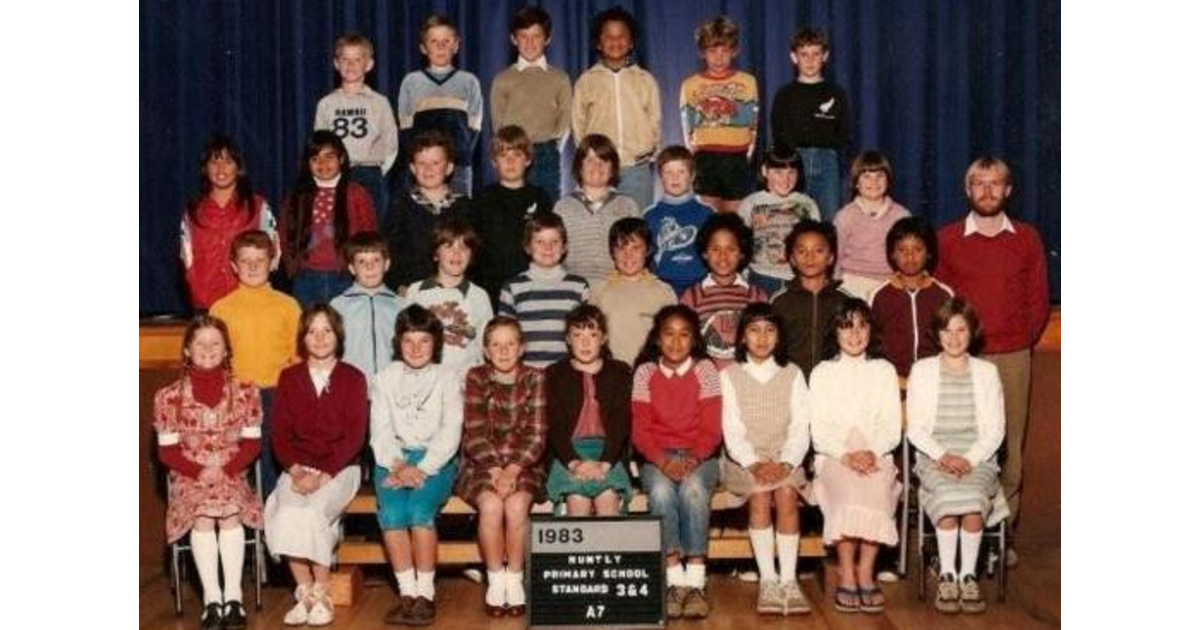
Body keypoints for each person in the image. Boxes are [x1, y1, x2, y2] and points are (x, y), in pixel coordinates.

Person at [936, 157, 1049, 565]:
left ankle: (1000, 538)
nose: (987, 191)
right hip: (963, 359)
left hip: (1012, 357)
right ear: (967, 191)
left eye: (995, 183)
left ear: (1008, 190)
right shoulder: (947, 239)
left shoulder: (1027, 238)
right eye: (978, 184)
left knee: (1009, 450)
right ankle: (959, 535)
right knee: (963, 443)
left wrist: (1018, 341)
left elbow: (1037, 302)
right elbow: (943, 302)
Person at [154, 314, 264, 629]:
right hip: (190, 475)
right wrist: (201, 471)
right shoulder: (168, 397)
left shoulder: (246, 392)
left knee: (229, 511)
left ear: (227, 350)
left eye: (215, 343)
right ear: (187, 350)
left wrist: (226, 469)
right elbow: (168, 452)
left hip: (232, 472)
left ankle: (234, 599)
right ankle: (211, 600)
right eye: (200, 343)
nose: (208, 348)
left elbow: (252, 445)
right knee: (202, 514)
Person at [264, 305, 368, 627]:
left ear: (338, 335)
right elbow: (279, 433)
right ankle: (305, 591)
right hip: (297, 468)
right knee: (285, 511)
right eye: (312, 331)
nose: (320, 338)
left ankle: (322, 592)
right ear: (302, 338)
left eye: (327, 330)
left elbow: (355, 435)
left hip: (341, 468)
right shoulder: (290, 377)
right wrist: (295, 471)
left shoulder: (353, 377)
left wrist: (324, 476)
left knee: (312, 512)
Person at [906, 297, 1008, 614]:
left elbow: (996, 429)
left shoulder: (987, 372)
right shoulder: (922, 370)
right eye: (946, 331)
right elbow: (916, 429)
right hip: (935, 456)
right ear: (937, 335)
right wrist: (944, 456)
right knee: (949, 498)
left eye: (961, 330)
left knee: (974, 498)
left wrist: (971, 458)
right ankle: (948, 573)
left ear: (972, 332)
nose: (954, 337)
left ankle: (967, 577)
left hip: (977, 457)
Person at [370, 305, 464, 626]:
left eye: (424, 341)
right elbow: (380, 431)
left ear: (436, 343)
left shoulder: (448, 377)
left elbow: (451, 431)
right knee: (392, 514)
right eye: (408, 341)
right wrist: (398, 465)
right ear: (398, 342)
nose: (416, 349)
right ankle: (407, 593)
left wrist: (422, 467)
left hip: (435, 461)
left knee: (420, 512)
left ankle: (426, 594)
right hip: (394, 459)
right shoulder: (385, 378)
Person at [808, 299, 901, 615]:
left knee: (875, 488)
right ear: (835, 331)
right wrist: (847, 456)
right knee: (847, 490)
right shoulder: (823, 372)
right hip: (834, 454)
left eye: (862, 325)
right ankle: (847, 571)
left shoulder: (883, 370)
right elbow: (818, 429)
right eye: (847, 325)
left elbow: (892, 425)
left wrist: (871, 453)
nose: (855, 333)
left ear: (871, 330)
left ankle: (866, 571)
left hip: (877, 452)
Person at [718, 304, 811, 616]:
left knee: (786, 493)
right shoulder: (730, 376)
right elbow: (732, 430)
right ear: (743, 337)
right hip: (744, 461)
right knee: (759, 495)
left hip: (785, 458)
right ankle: (767, 579)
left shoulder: (793, 374)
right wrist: (754, 464)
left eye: (769, 331)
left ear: (779, 337)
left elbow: (801, 427)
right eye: (754, 330)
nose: (762, 338)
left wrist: (786, 463)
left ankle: (788, 580)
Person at [631, 305, 723, 620]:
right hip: (657, 455)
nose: (675, 342)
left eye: (684, 335)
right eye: (668, 334)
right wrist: (661, 460)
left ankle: (695, 582)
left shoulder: (706, 370)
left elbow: (711, 429)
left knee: (694, 490)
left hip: (701, 454)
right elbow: (640, 431)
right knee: (660, 492)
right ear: (656, 339)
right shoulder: (644, 372)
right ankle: (673, 580)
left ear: (695, 339)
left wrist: (694, 458)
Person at [454, 316, 547, 617]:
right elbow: (475, 432)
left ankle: (514, 579)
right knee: (492, 506)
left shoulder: (535, 377)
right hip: (482, 463)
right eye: (496, 344)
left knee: (518, 505)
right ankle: (495, 580)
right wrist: (496, 469)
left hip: (525, 464)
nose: (503, 351)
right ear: (485, 350)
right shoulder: (477, 377)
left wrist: (513, 470)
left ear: (522, 348)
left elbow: (536, 434)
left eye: (510, 344)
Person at [210, 230, 302, 497]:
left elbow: (299, 355)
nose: (252, 267)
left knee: (274, 459)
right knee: (236, 464)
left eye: (259, 260)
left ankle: (274, 518)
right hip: (237, 395)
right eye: (245, 261)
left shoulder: (288, 306)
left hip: (276, 393)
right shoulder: (221, 309)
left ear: (272, 263)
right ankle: (239, 520)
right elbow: (217, 360)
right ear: (233, 266)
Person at [545, 305, 635, 517]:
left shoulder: (620, 373)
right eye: (577, 335)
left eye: (592, 334)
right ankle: (577, 549)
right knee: (577, 499)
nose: (585, 342)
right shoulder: (555, 374)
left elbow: (621, 423)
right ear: (567, 339)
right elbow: (554, 426)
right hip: (569, 454)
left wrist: (604, 464)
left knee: (608, 498)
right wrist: (575, 463)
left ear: (603, 338)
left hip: (608, 454)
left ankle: (611, 551)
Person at [571, 5, 661, 209]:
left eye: (621, 36)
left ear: (631, 43)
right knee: (600, 229)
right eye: (608, 37)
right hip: (598, 168)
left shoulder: (645, 80)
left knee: (636, 229)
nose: (615, 41)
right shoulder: (586, 81)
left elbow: (654, 121)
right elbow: (578, 125)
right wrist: (591, 159)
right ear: (599, 44)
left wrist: (649, 154)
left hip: (636, 169)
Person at [179, 134, 278, 310]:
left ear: (238, 167)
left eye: (228, 161)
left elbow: (274, 253)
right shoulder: (193, 212)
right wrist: (198, 292)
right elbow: (186, 258)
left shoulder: (258, 207)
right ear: (205, 168)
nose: (220, 168)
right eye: (214, 162)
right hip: (206, 305)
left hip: (249, 304)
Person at [279, 130, 377, 307]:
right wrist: (294, 268)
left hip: (346, 277)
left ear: (342, 159)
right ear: (307, 164)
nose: (322, 163)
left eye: (329, 157)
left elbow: (370, 235)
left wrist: (359, 269)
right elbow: (284, 235)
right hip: (306, 279)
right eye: (315, 159)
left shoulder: (357, 194)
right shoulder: (298, 196)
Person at [313, 32, 398, 221]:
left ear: (368, 64)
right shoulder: (326, 104)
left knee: (371, 226)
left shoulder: (380, 102)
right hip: (337, 174)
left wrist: (377, 171)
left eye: (357, 59)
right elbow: (319, 145)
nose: (350, 65)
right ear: (336, 64)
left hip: (370, 173)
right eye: (345, 59)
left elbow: (391, 143)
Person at [489, 6, 572, 199]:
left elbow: (565, 119)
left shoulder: (559, 78)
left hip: (546, 155)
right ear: (513, 39)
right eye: (523, 36)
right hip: (513, 154)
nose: (530, 42)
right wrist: (511, 150)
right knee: (513, 206)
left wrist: (551, 147)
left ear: (548, 39)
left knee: (546, 207)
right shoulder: (503, 79)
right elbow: (498, 124)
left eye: (536, 36)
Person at [468, 125, 555, 309]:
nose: (510, 162)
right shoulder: (482, 200)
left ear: (528, 160)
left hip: (532, 287)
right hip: (491, 289)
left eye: (516, 155)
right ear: (493, 162)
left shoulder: (540, 198)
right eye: (503, 156)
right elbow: (473, 250)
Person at [396, 13, 482, 197]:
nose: (441, 46)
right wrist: (419, 160)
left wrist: (461, 156)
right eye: (434, 42)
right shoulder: (411, 82)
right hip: (423, 168)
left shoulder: (469, 82)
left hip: (458, 166)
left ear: (456, 45)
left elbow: (474, 128)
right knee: (421, 217)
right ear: (423, 48)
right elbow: (405, 128)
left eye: (447, 41)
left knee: (459, 219)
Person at [770, 27, 851, 218]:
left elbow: (844, 132)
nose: (810, 60)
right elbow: (777, 133)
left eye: (816, 54)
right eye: (804, 54)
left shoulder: (836, 93)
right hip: (794, 163)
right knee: (792, 218)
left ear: (825, 56)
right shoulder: (784, 94)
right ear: (793, 57)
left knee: (828, 219)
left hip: (828, 162)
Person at [679, 15, 758, 213]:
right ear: (702, 53)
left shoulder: (748, 81)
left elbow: (753, 123)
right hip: (706, 159)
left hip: (736, 159)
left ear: (735, 51)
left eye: (725, 51)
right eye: (712, 51)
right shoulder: (690, 85)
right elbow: (687, 127)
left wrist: (747, 154)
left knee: (734, 223)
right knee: (709, 221)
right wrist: (695, 158)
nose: (719, 57)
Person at [384, 129, 472, 290]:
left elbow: (471, 250)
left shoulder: (464, 206)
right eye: (421, 163)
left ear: (449, 168)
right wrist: (397, 285)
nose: (428, 169)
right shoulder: (401, 203)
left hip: (454, 289)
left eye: (435, 163)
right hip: (412, 289)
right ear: (412, 168)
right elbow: (389, 249)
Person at [498, 213, 589, 368]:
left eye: (555, 241)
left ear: (565, 246)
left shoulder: (578, 286)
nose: (548, 247)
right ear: (527, 247)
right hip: (525, 373)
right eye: (540, 241)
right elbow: (505, 337)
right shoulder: (512, 288)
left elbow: (585, 336)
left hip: (566, 372)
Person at [403, 217, 494, 374]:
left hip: (465, 382)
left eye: (464, 248)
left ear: (471, 256)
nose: (456, 253)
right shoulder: (416, 292)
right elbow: (405, 340)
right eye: (448, 246)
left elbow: (486, 345)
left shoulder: (479, 296)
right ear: (435, 254)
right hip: (426, 380)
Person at [869, 217, 953, 378]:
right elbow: (873, 344)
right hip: (892, 382)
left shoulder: (943, 294)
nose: (910, 256)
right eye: (902, 250)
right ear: (892, 254)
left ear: (929, 253)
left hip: (934, 379)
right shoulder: (879, 296)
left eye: (917, 249)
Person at [679, 213, 769, 365]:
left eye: (731, 249)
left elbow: (765, 342)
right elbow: (684, 344)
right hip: (706, 382)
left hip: (745, 380)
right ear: (705, 253)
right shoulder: (691, 297)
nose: (723, 256)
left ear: (741, 253)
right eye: (715, 249)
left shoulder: (756, 296)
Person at [587, 218, 677, 366]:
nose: (628, 255)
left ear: (647, 250)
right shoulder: (598, 292)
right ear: (612, 253)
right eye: (621, 248)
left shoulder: (664, 292)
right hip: (610, 374)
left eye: (635, 248)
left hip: (651, 372)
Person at [553, 133, 639, 287]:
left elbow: (636, 252)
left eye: (603, 161)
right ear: (579, 167)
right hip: (572, 287)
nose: (596, 166)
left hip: (616, 287)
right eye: (589, 160)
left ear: (613, 169)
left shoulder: (627, 206)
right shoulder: (562, 207)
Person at [737, 145, 821, 296]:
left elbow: (818, 244)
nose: (786, 179)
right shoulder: (750, 203)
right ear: (765, 171)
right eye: (778, 172)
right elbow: (740, 246)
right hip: (761, 277)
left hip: (797, 279)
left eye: (791, 172)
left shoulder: (808, 204)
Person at [770, 219, 849, 378]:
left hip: (833, 385)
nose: (810, 257)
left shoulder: (845, 301)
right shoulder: (779, 301)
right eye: (802, 251)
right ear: (792, 259)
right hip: (791, 385)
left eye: (818, 250)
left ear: (831, 258)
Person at [832, 151, 911, 300]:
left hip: (890, 282)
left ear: (888, 180)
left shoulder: (902, 215)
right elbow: (836, 257)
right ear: (856, 182)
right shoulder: (845, 216)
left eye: (880, 176)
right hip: (853, 282)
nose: (874, 182)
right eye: (867, 176)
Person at [642, 146, 715, 295]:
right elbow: (646, 258)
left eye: (681, 172)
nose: (675, 178)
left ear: (692, 175)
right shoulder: (649, 215)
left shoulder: (708, 213)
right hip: (663, 288)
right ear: (660, 177)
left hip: (700, 286)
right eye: (668, 172)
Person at [330, 231, 403, 377]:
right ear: (352, 268)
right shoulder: (338, 305)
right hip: (352, 387)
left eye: (376, 260)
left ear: (387, 264)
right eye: (362, 261)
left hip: (391, 389)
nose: (370, 267)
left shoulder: (400, 305)